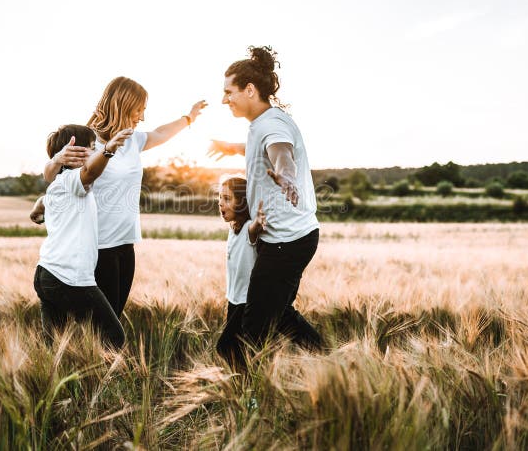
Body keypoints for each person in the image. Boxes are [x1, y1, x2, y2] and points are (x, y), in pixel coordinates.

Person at [32, 77, 207, 318]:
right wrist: (54, 162)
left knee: (112, 322)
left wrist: (189, 118)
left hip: (126, 244)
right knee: (100, 330)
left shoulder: (132, 140)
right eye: (138, 110)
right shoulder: (90, 140)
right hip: (99, 246)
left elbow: (161, 133)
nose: (142, 117)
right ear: (122, 105)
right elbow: (54, 177)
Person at [208, 46, 323, 351]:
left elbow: (280, 151)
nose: (224, 99)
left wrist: (285, 173)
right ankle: (326, 359)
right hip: (291, 238)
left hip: (286, 243)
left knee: (245, 337)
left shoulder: (272, 125)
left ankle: (250, 395)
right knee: (280, 314)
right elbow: (262, 148)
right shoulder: (262, 122)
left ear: (249, 89)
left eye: (228, 91)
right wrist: (234, 148)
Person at [33, 123, 133, 349]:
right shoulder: (72, 179)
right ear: (73, 152)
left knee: (54, 347)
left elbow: (45, 202)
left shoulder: (58, 185)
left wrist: (38, 207)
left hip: (46, 275)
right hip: (69, 278)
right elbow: (88, 172)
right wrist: (108, 150)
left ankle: (50, 382)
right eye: (91, 148)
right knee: (113, 337)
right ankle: (102, 384)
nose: (95, 152)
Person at [215, 177, 266, 370]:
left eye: (227, 198)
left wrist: (258, 222)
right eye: (220, 197)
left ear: (242, 202)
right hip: (233, 300)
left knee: (225, 347)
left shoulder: (247, 228)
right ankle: (243, 392)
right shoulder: (233, 228)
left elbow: (254, 229)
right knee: (237, 351)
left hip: (245, 303)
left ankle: (248, 390)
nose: (220, 202)